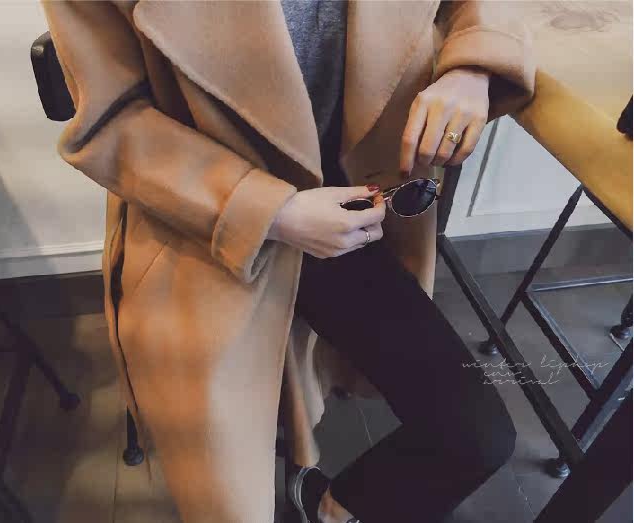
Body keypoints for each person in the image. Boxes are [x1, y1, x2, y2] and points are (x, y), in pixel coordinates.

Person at [41, 1, 535, 522]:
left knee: (472, 436)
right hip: (206, 215)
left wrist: (471, 67)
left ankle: (328, 508)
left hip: (356, 202)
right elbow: (111, 124)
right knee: (228, 490)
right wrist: (269, 212)